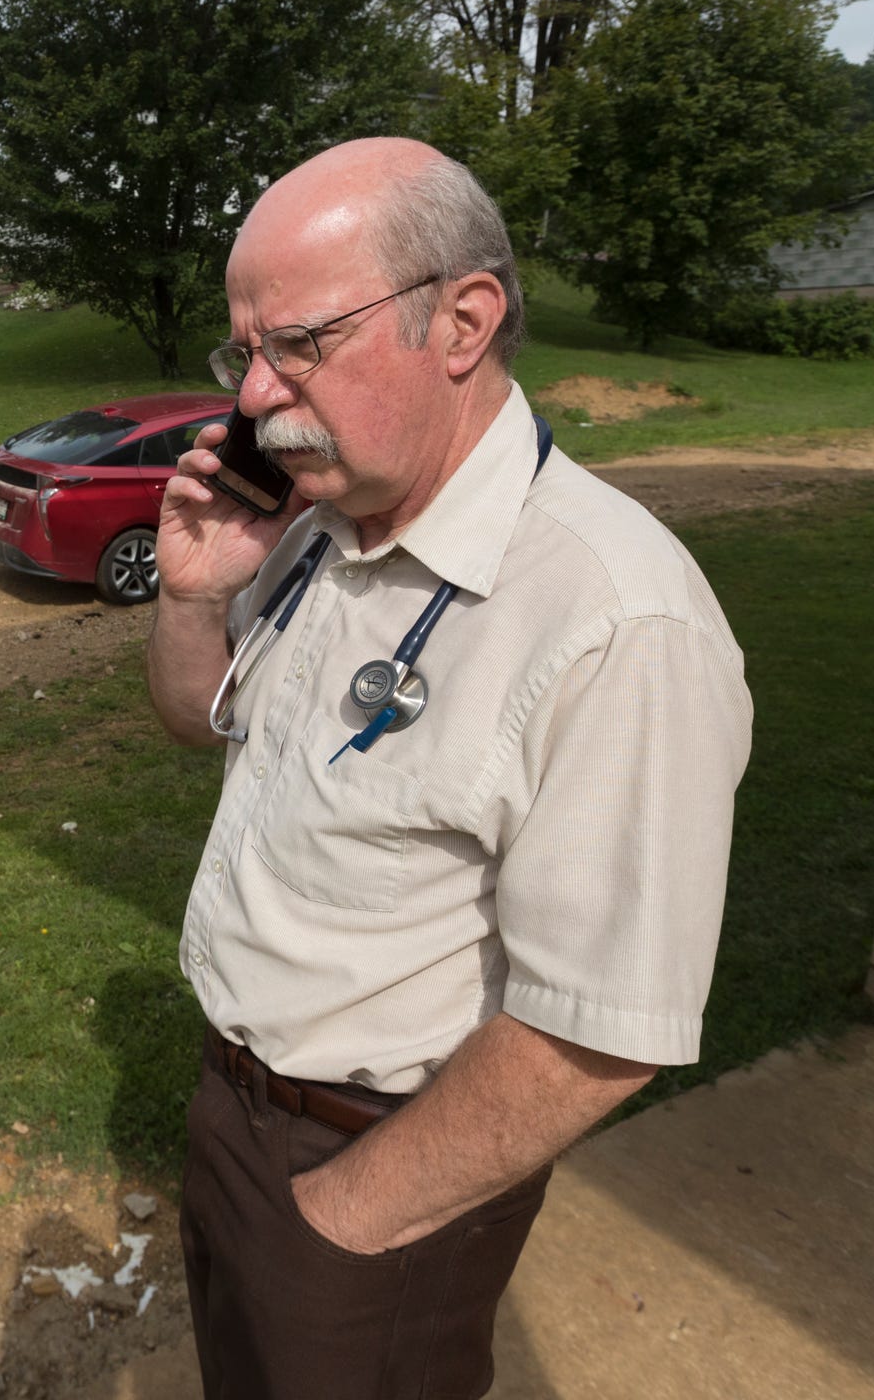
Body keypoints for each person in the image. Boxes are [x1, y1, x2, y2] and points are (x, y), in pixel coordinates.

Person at [147, 138, 751, 1399]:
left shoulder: (616, 618)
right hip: (230, 1110)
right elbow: (201, 718)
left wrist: (342, 1221)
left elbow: (601, 1031)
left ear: (463, 320)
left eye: (299, 343)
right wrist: (195, 595)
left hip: (376, 1184)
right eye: (242, 353)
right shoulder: (316, 528)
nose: (254, 397)